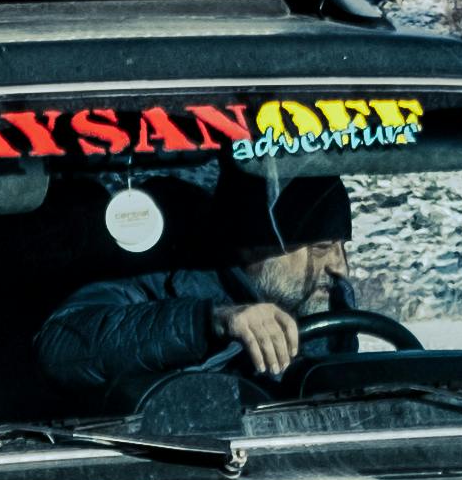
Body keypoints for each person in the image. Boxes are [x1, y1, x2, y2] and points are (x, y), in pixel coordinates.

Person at [43, 169, 358, 403]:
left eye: (342, 246)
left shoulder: (329, 303)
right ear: (254, 247)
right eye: (319, 248)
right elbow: (61, 346)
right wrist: (208, 322)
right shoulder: (160, 284)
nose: (339, 267)